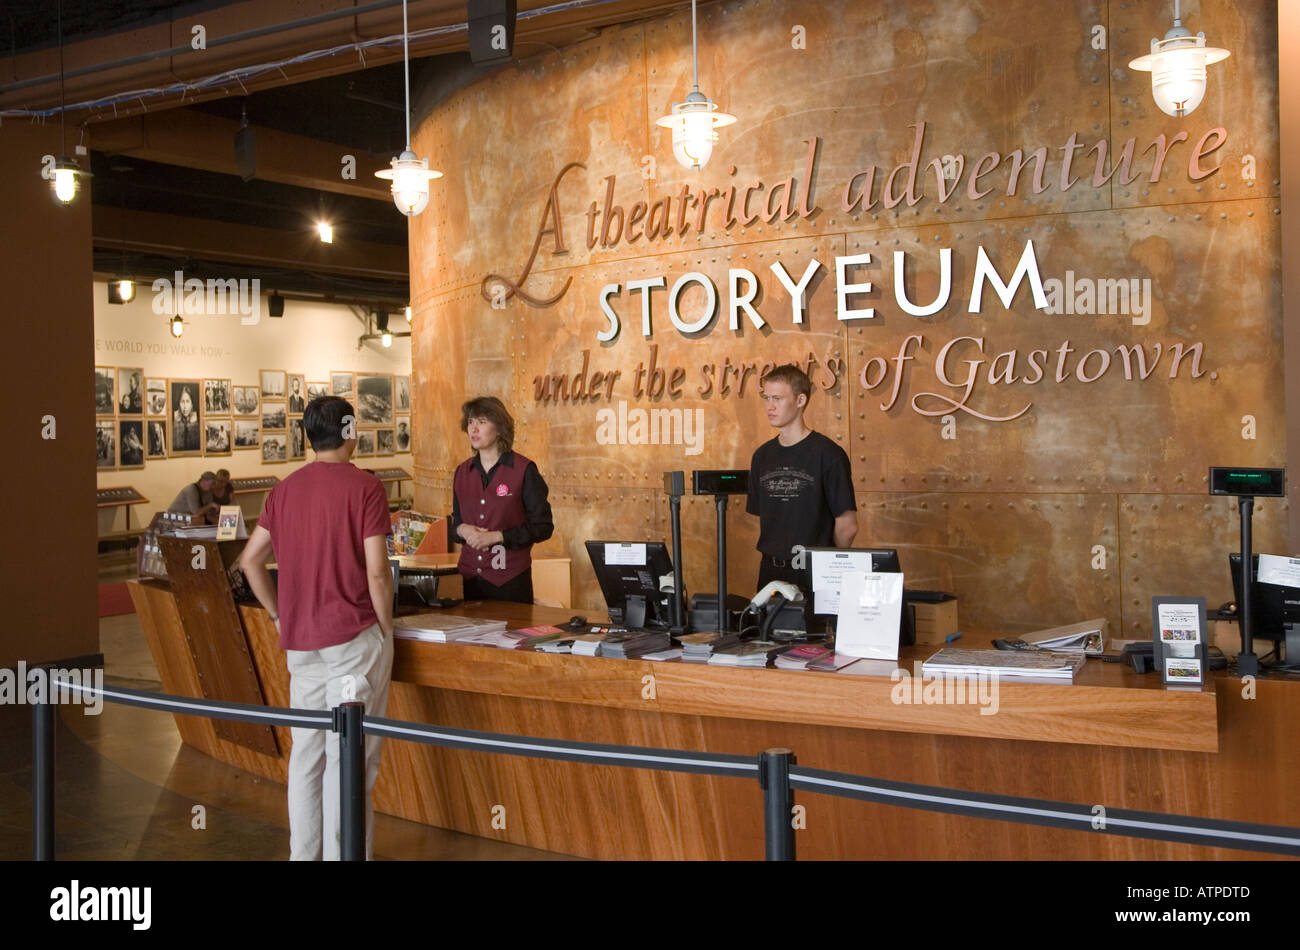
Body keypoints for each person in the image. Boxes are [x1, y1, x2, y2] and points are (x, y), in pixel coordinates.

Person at [239, 396, 394, 861]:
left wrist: (277, 614)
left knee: (306, 756)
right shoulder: (365, 487)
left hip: (301, 643)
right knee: (350, 760)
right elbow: (377, 572)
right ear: (349, 431)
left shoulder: (283, 490)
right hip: (353, 637)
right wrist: (385, 630)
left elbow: (250, 561)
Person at [746, 364, 857, 593]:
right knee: (766, 629)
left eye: (777, 398)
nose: (770, 406)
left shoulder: (829, 455)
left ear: (800, 400)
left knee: (813, 629)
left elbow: (847, 527)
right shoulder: (761, 456)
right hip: (770, 571)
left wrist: (830, 566)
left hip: (815, 572)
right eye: (766, 398)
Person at [449, 396, 553, 604]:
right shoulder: (462, 471)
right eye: (470, 422)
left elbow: (543, 527)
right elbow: (455, 523)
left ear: (500, 428)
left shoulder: (524, 470)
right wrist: (462, 530)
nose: (473, 429)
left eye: (482, 421)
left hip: (510, 582)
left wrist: (498, 536)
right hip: (468, 580)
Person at [172, 385, 200, 452]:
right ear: (179, 403)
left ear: (192, 404)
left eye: (187, 401)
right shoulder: (174, 421)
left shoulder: (197, 421)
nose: (185, 406)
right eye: (182, 402)